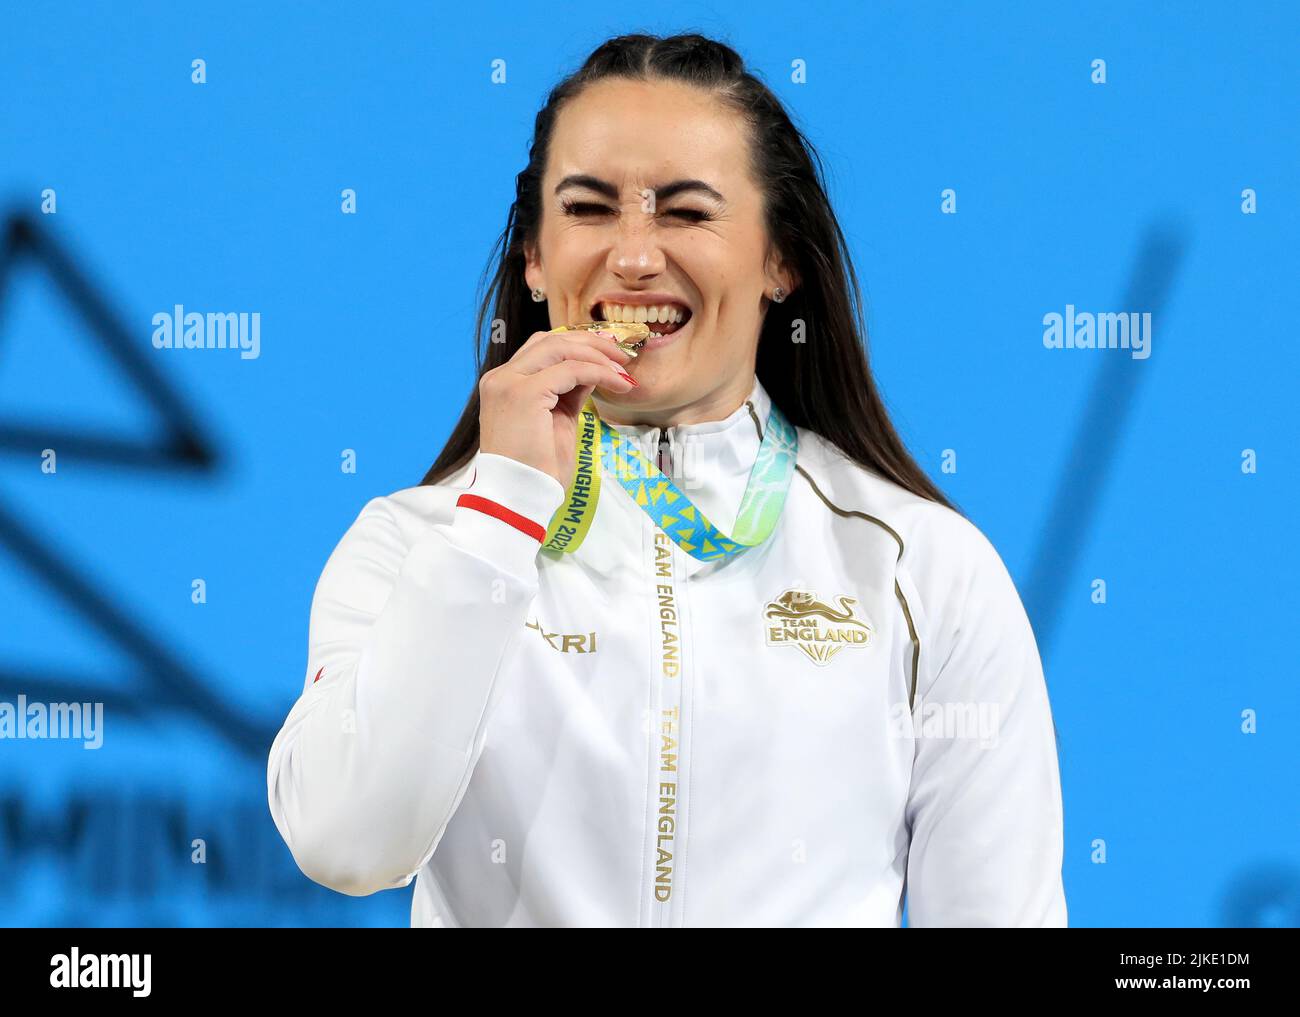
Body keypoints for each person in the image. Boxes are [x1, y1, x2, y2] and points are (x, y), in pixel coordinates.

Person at [266, 32, 1066, 928]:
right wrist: (498, 514)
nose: (635, 257)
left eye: (686, 212)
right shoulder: (420, 540)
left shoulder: (924, 569)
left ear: (780, 260)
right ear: (533, 254)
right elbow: (347, 844)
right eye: (589, 209)